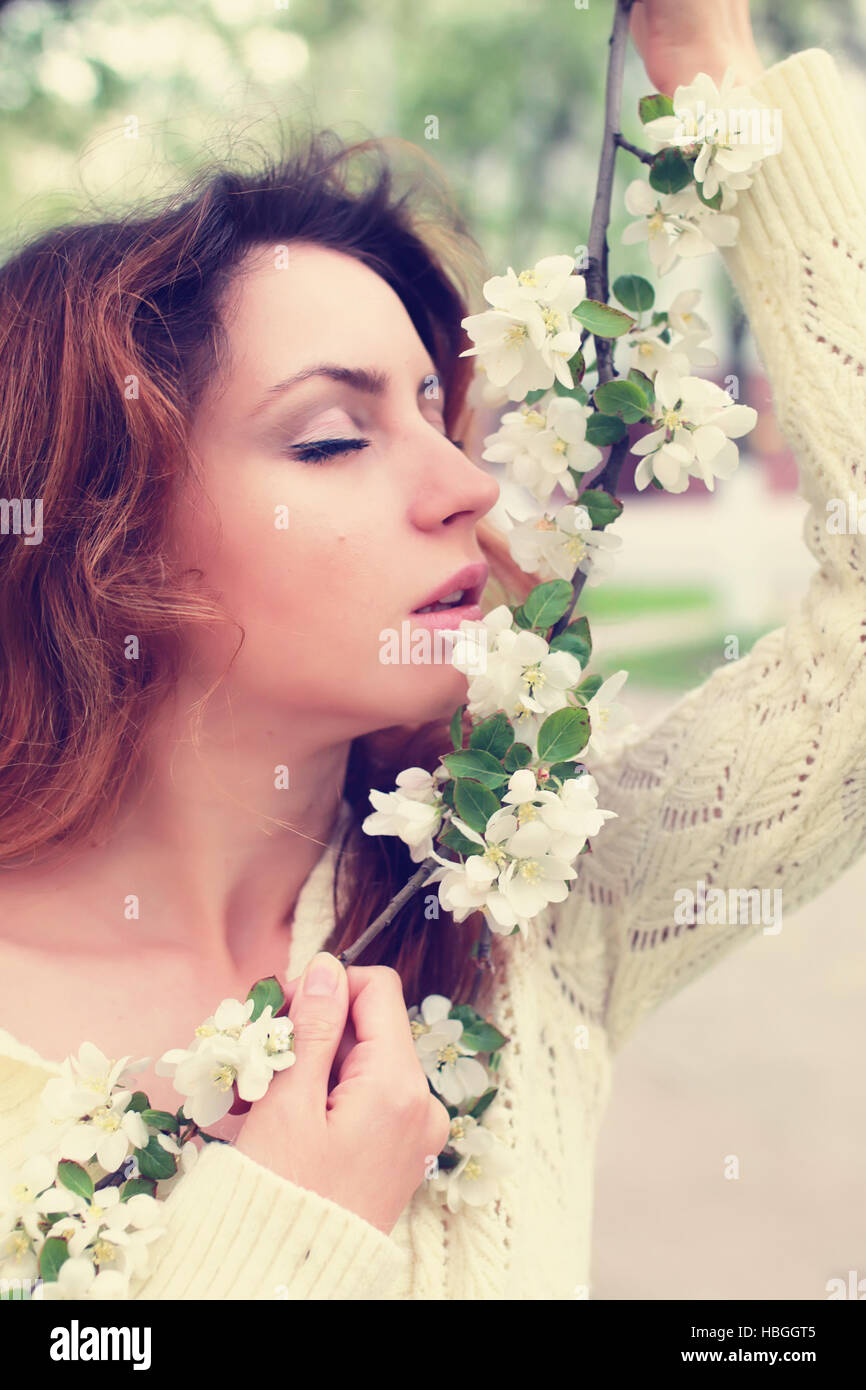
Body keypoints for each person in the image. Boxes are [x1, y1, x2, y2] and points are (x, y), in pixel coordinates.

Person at [1, 0, 864, 1299]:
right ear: (109, 537)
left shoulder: (522, 908)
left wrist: (712, 75)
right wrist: (288, 1234)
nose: (466, 481)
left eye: (433, 409)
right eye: (333, 438)